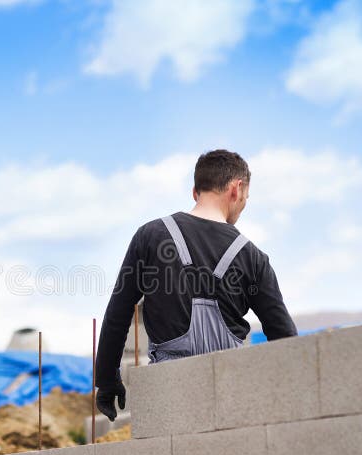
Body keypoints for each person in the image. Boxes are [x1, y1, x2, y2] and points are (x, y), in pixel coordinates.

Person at [95, 149, 298, 421]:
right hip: (231, 393)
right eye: (246, 197)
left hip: (168, 395)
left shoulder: (151, 236)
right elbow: (284, 337)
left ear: (195, 192)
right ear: (237, 189)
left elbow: (118, 313)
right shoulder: (254, 258)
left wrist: (107, 379)